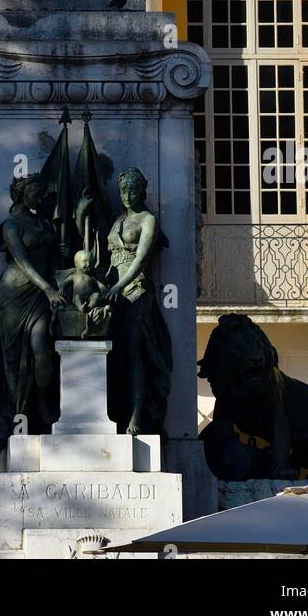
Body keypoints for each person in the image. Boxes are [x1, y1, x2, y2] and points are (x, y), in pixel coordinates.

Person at [0, 173, 64, 454]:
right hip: (15, 294)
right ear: (21, 192)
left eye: (42, 191)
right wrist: (48, 289)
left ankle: (46, 411)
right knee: (12, 360)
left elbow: (52, 261)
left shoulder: (43, 223)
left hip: (41, 296)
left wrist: (61, 278)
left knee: (43, 351)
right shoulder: (10, 226)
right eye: (35, 190)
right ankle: (12, 419)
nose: (40, 196)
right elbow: (22, 259)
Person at [106, 167, 172, 436]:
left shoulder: (148, 220)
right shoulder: (117, 220)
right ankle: (118, 412)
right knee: (117, 356)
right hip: (113, 295)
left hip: (135, 292)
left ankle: (136, 415)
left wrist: (119, 285)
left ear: (142, 190)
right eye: (123, 191)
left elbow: (141, 259)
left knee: (135, 355)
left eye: (133, 190)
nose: (127, 195)